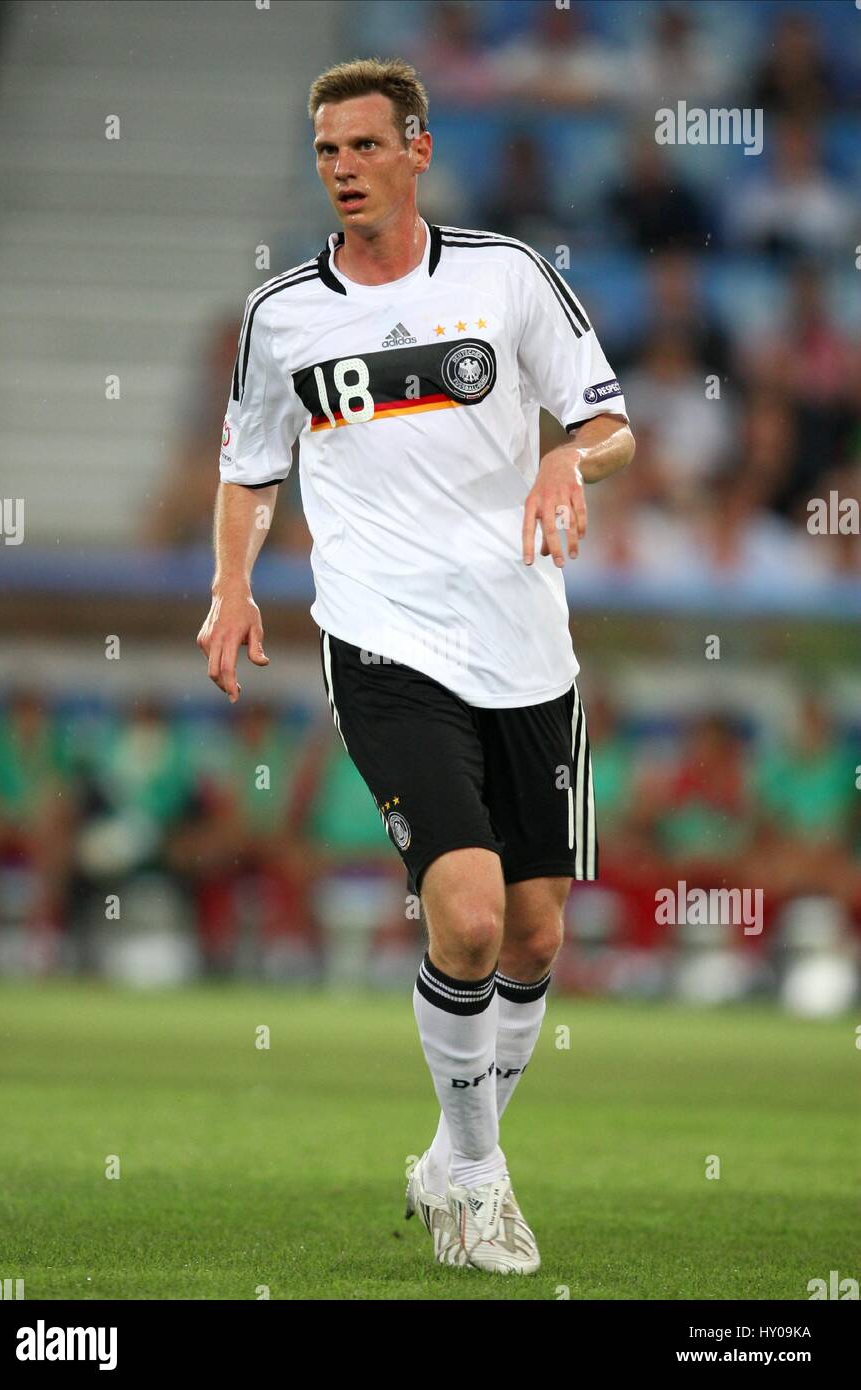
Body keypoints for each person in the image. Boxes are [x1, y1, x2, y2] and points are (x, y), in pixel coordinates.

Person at [196, 58, 634, 1275]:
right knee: (472, 913)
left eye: (363, 147)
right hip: (383, 640)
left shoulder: (506, 278)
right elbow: (249, 469)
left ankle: (448, 1153)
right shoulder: (282, 315)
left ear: (418, 149)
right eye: (326, 150)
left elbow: (612, 421)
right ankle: (481, 1179)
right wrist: (232, 587)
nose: (342, 170)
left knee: (538, 937)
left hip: (525, 641)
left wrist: (566, 464)